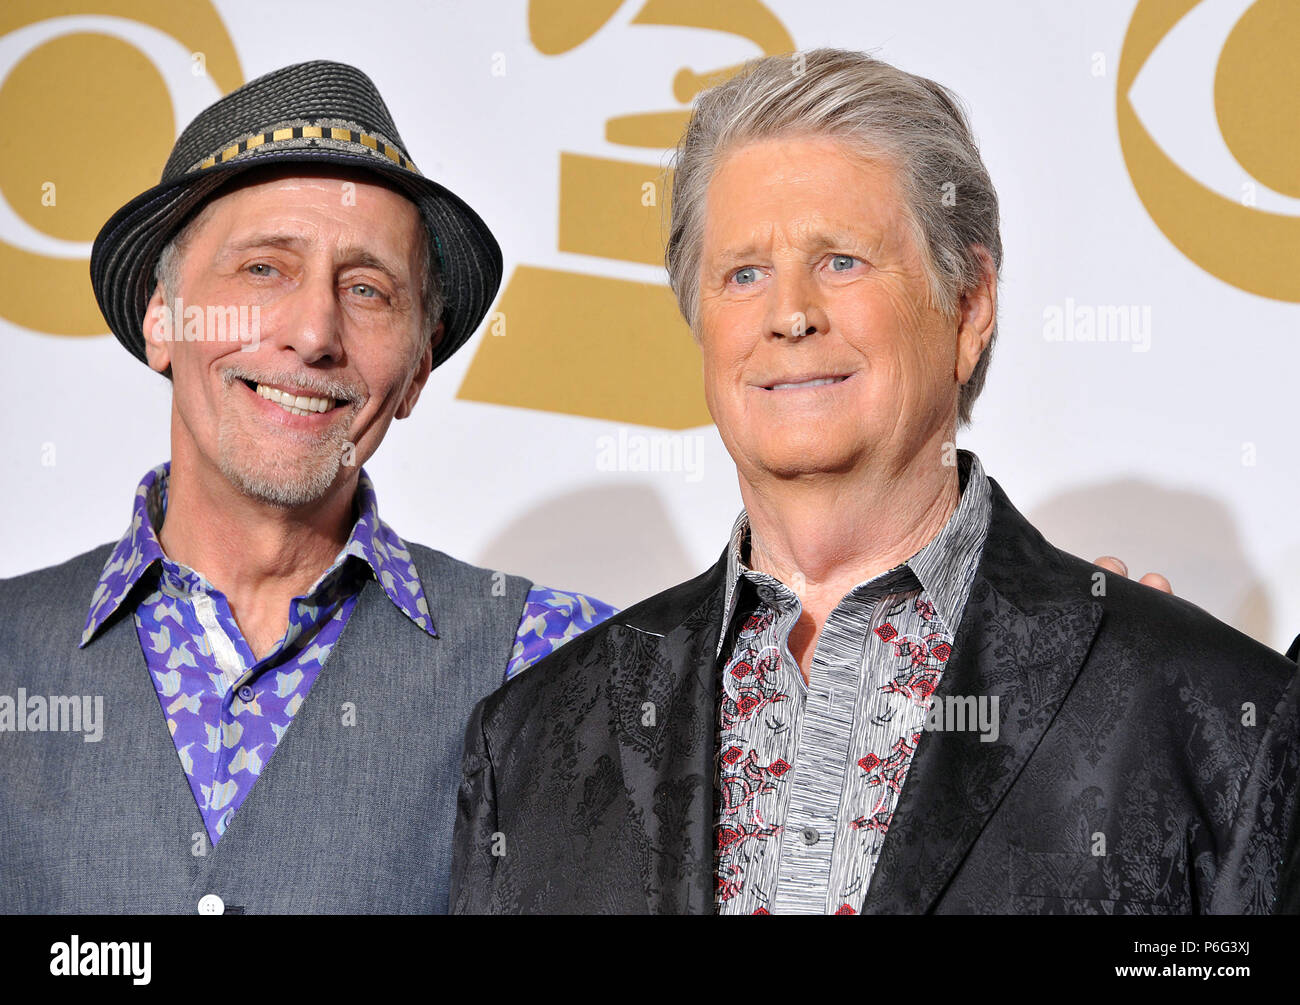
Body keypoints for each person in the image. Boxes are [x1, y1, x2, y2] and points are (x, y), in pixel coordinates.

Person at [450, 48, 1300, 914]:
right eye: (744, 273)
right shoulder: (532, 738)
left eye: (842, 261)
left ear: (969, 307)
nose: (791, 314)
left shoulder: (1211, 715)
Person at [0, 60, 613, 914]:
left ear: (417, 372)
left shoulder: (552, 663)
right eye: (264, 269)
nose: (316, 332)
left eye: (367, 290)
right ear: (162, 318)